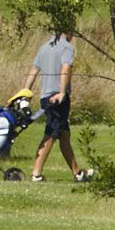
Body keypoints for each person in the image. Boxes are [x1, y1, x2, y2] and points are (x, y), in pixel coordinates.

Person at [25, 28, 94, 182]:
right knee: (52, 133)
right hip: (57, 97)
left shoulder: (44, 47)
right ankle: (36, 174)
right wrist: (62, 92)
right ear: (67, 30)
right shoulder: (67, 47)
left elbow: (34, 70)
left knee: (64, 135)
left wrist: (26, 92)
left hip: (45, 96)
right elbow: (66, 67)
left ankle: (77, 173)